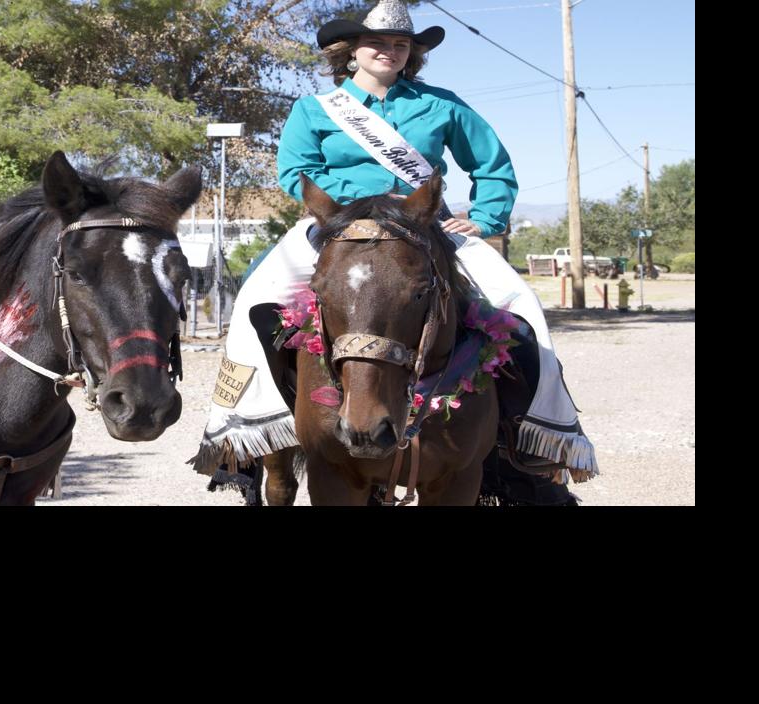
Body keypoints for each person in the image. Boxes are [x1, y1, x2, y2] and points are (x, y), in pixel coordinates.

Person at [195, 0, 596, 502]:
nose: (389, 51)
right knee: (254, 304)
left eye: (400, 45)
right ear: (352, 51)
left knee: (521, 307)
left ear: (412, 54)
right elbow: (295, 170)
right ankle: (249, 432)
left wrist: (485, 218)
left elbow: (493, 167)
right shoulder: (314, 110)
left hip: (422, 226)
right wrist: (346, 213)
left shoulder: (442, 105)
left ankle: (531, 436)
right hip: (338, 227)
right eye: (378, 43)